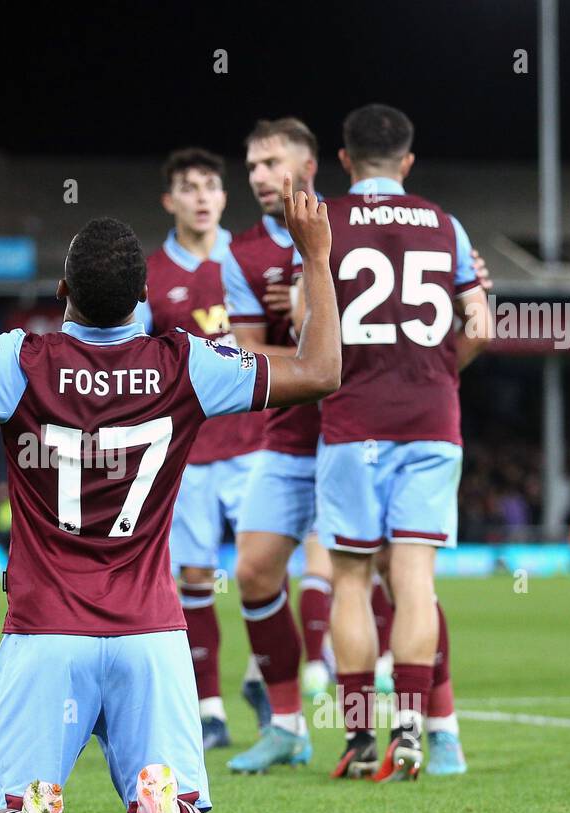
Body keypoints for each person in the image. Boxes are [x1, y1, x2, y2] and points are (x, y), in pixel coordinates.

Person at [0, 178, 339, 813]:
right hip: (151, 635)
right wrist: (315, 255)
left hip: (45, 634)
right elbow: (321, 369)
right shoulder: (186, 362)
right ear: (144, 298)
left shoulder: (18, 362)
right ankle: (162, 812)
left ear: (61, 291)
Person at [301, 104, 492, 781]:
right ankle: (410, 729)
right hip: (431, 420)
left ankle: (356, 739)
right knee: (415, 579)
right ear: (408, 162)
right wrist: (439, 369)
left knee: (350, 577)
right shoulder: (445, 224)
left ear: (344, 159)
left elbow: (305, 327)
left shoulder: (325, 219)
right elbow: (481, 323)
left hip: (353, 423)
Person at [136, 148, 266, 749]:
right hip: (187, 452)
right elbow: (137, 358)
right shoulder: (152, 276)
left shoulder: (251, 262)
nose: (202, 196)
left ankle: (268, 682)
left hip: (258, 442)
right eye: (188, 187)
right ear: (171, 200)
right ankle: (210, 710)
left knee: (259, 572)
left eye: (211, 185)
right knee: (194, 576)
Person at [221, 117, 337, 772]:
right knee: (255, 570)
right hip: (288, 433)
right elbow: (245, 352)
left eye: (271, 162)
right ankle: (289, 724)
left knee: (380, 577)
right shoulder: (240, 254)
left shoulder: (345, 231)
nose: (261, 176)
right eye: (253, 166)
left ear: (309, 164)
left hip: (360, 433)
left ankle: (418, 724)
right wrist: (305, 345)